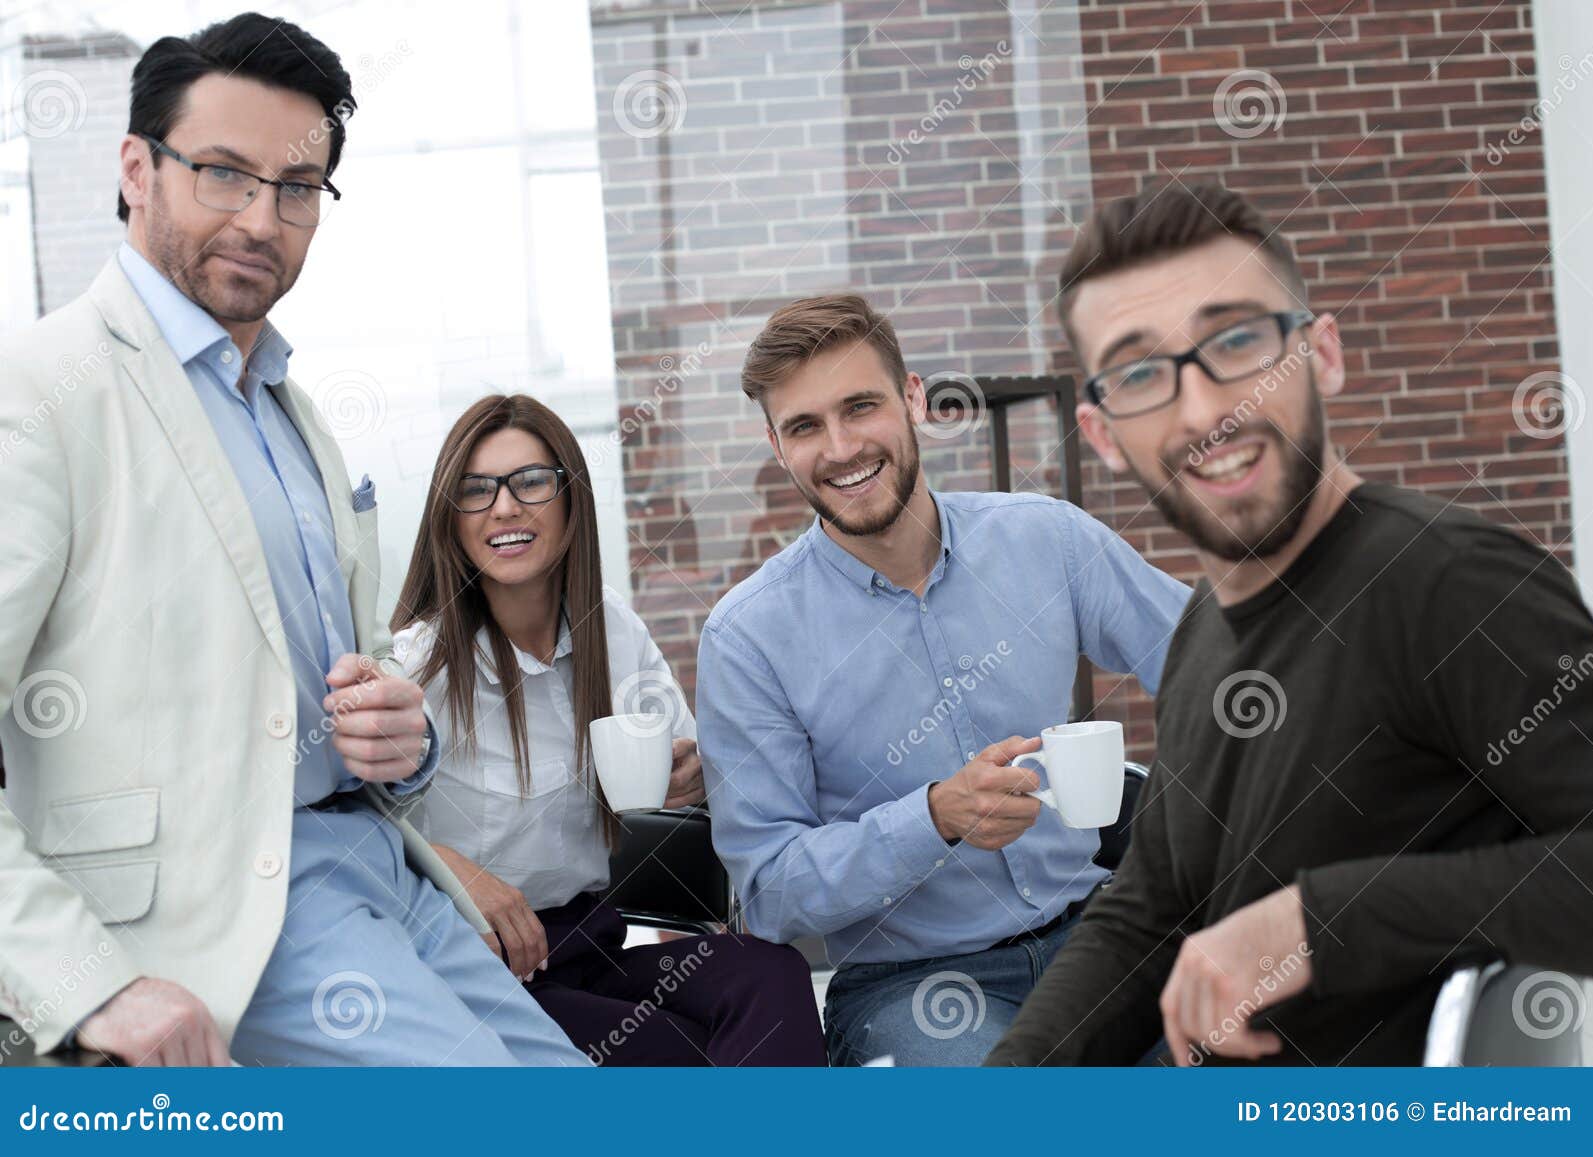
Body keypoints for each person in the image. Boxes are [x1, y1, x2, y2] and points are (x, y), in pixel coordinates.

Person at [0, 14, 586, 1066]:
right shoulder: (40, 393)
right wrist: (92, 985)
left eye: (297, 188)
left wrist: (402, 741)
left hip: (385, 869)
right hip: (222, 918)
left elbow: (332, 698)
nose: (262, 219)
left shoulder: (292, 412)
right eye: (222, 174)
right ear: (137, 168)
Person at [988, 180, 1593, 1067]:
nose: (1205, 411)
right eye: (1140, 373)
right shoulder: (1203, 627)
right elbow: (1151, 908)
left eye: (1236, 340)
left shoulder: (1450, 584)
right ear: (1105, 430)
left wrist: (1319, 919)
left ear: (1322, 353)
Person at [695, 294, 1192, 1065]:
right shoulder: (747, 637)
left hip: (1103, 936)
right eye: (804, 426)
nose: (840, 446)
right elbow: (769, 893)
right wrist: (933, 817)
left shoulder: (1045, 539)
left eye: (860, 406)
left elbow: (1214, 660)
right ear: (776, 444)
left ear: (915, 398)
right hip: (909, 984)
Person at [391, 393, 826, 1066]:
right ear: (451, 520)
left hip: (594, 938)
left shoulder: (609, 625)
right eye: (476, 491)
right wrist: (454, 871)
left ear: (571, 498)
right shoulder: (422, 662)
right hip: (481, 965)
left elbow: (682, 759)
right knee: (675, 1055)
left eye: (530, 481)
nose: (504, 507)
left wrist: (693, 774)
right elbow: (355, 827)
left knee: (771, 976)